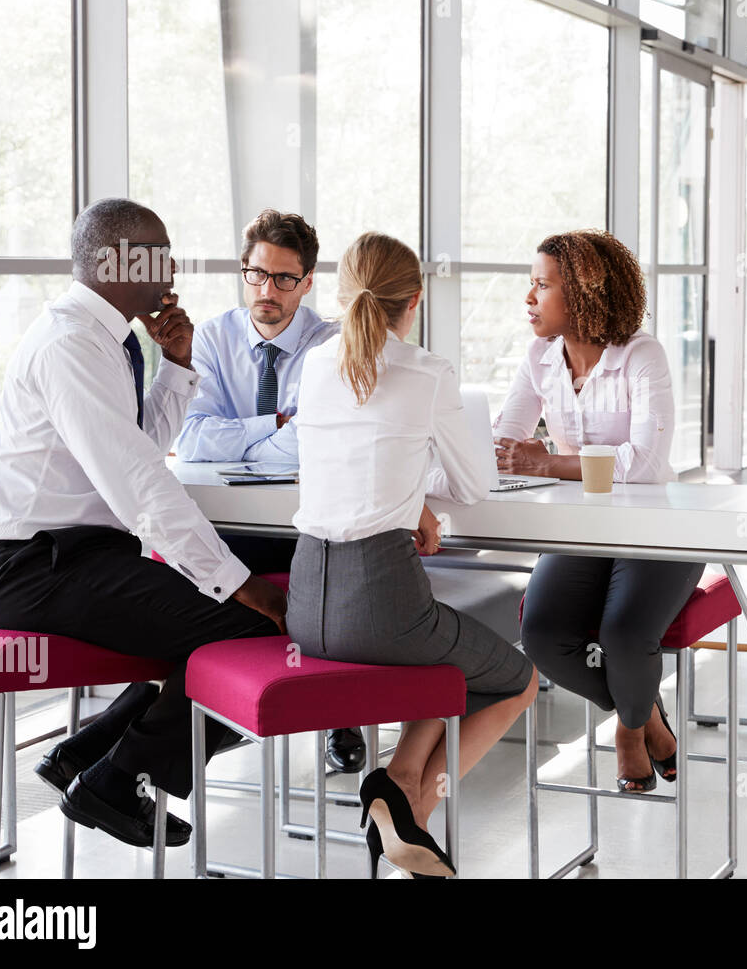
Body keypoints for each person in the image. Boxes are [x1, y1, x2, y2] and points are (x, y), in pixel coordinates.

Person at [0, 197, 286, 849]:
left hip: (72, 559)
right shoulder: (72, 344)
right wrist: (234, 579)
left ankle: (88, 756)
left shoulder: (106, 339)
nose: (172, 265)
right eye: (158, 252)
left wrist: (178, 365)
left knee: (216, 629)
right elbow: (139, 483)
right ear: (116, 261)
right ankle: (115, 777)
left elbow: (141, 445)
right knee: (253, 625)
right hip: (32, 568)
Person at [287, 231, 538, 878]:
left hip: (306, 604)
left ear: (342, 296)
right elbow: (473, 486)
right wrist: (420, 494)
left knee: (447, 653)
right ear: (415, 301)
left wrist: (407, 497)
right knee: (515, 678)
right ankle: (413, 806)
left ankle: (399, 785)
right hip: (381, 606)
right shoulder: (427, 373)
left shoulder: (313, 365)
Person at [173, 208, 389, 773]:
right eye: (256, 274)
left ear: (307, 282)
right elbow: (191, 440)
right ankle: (218, 706)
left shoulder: (334, 342)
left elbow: (314, 445)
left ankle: (335, 710)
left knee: (333, 577)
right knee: (194, 584)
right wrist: (273, 425)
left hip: (310, 526)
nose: (266, 291)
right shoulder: (214, 337)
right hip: (230, 525)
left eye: (283, 279)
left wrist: (248, 437)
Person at [493, 229, 703, 793]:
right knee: (540, 633)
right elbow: (504, 443)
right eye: (530, 284)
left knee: (624, 632)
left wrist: (549, 463)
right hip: (583, 531)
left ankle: (628, 733)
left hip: (659, 532)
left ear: (583, 293)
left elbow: (645, 462)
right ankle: (645, 713)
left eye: (543, 285)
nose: (529, 298)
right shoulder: (539, 358)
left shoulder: (642, 355)